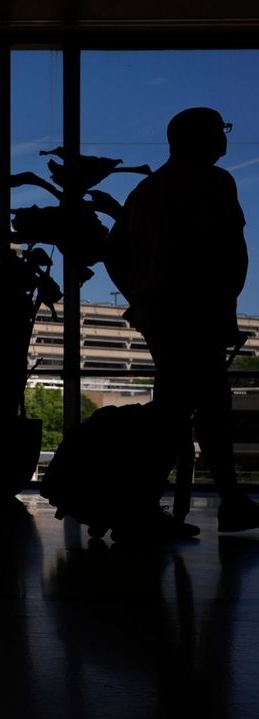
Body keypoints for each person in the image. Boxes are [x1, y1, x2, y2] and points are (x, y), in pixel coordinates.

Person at [110, 107, 259, 534]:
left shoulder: (147, 190)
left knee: (181, 406)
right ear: (202, 138)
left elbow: (113, 251)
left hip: (162, 314)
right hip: (201, 313)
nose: (225, 138)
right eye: (220, 130)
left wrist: (139, 294)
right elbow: (229, 251)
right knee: (201, 408)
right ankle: (162, 506)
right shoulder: (214, 182)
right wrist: (225, 300)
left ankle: (151, 506)